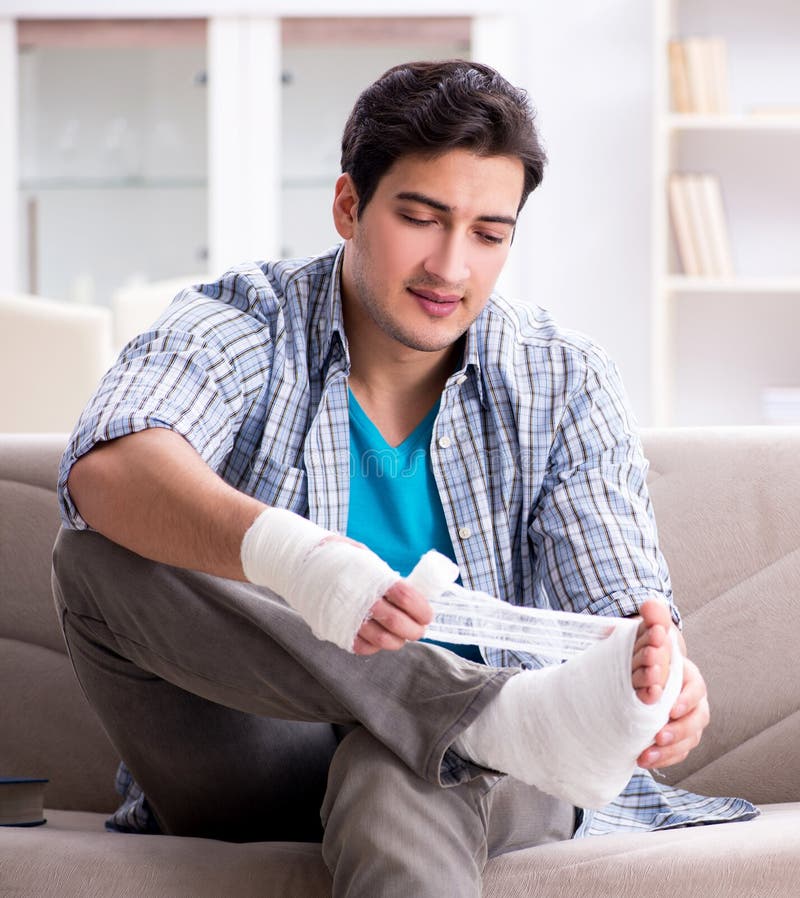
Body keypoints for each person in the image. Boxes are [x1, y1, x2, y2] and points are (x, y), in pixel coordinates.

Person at [51, 60, 755, 897]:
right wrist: (304, 563)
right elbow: (112, 463)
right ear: (349, 205)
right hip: (259, 751)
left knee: (402, 772)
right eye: (421, 219)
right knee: (90, 555)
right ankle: (481, 715)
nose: (451, 268)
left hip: (500, 775)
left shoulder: (561, 376)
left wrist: (655, 683)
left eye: (489, 235)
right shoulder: (247, 320)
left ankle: (481, 726)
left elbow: (616, 607)